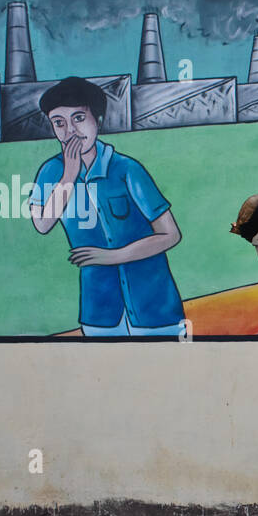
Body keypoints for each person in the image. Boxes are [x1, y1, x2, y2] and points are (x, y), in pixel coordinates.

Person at [28, 77, 186, 337]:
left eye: (78, 118)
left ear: (97, 120)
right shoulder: (50, 171)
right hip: (99, 310)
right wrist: (69, 175)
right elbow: (42, 224)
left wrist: (113, 257)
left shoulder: (127, 168)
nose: (70, 131)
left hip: (156, 305)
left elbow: (171, 234)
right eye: (59, 123)